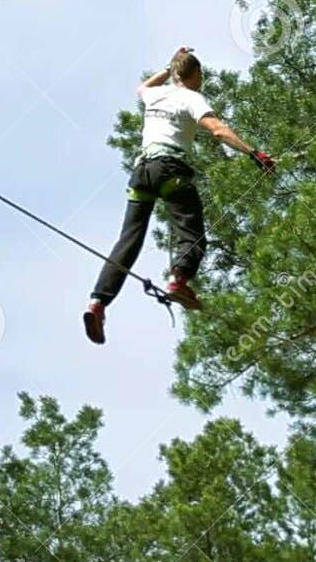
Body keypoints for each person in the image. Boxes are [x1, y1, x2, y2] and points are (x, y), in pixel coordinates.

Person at [83, 48, 275, 345]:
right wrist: (254, 154)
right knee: (192, 230)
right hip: (169, 170)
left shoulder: (155, 95)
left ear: (174, 75)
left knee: (128, 241)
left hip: (142, 173)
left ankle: (98, 303)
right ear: (194, 75)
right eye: (201, 76)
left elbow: (142, 87)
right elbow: (218, 130)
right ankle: (179, 280)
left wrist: (168, 67)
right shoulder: (191, 98)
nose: (202, 81)